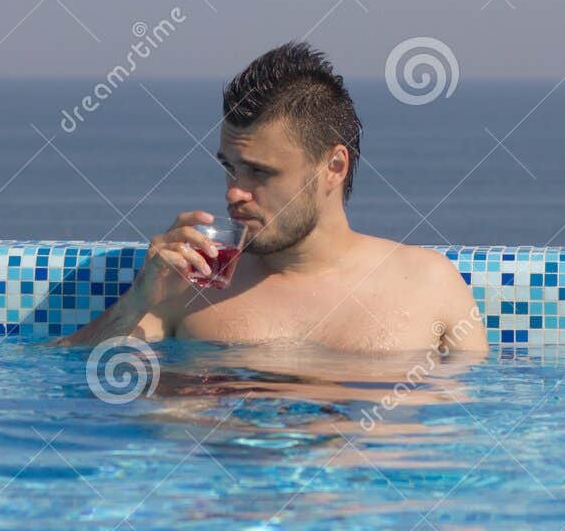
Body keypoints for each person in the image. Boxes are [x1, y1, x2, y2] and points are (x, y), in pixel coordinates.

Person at [55, 41, 488, 356]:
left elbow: (475, 438)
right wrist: (137, 300)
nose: (233, 193)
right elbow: (64, 371)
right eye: (230, 167)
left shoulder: (428, 285)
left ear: (334, 167)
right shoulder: (192, 287)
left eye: (259, 172)